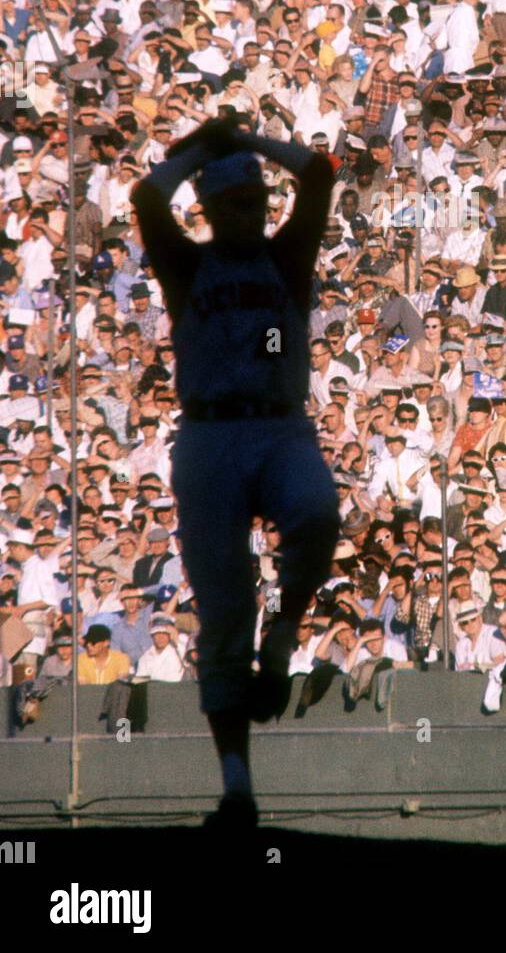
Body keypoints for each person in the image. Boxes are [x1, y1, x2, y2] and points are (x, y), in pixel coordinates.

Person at [132, 119, 340, 830]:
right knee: (223, 614)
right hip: (209, 434)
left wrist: (246, 141)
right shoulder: (186, 266)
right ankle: (236, 787)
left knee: (316, 510)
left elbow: (318, 172)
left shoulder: (289, 255)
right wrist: (197, 154)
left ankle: (283, 637)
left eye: (255, 203)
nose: (249, 216)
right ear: (212, 213)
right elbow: (143, 195)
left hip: (280, 424)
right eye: (234, 207)